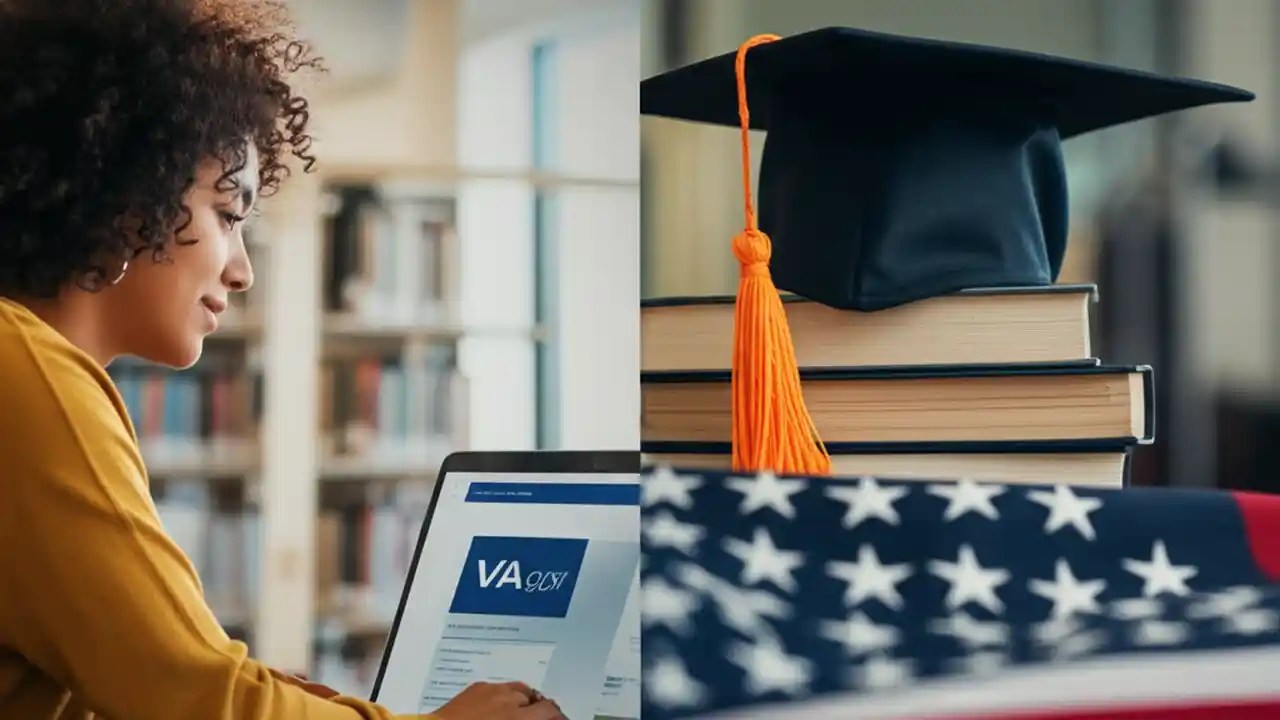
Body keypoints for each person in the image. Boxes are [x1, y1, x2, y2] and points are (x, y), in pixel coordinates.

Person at [0, 1, 564, 719]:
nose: (242, 271)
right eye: (227, 214)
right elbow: (201, 702)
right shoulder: (29, 377)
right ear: (131, 195)